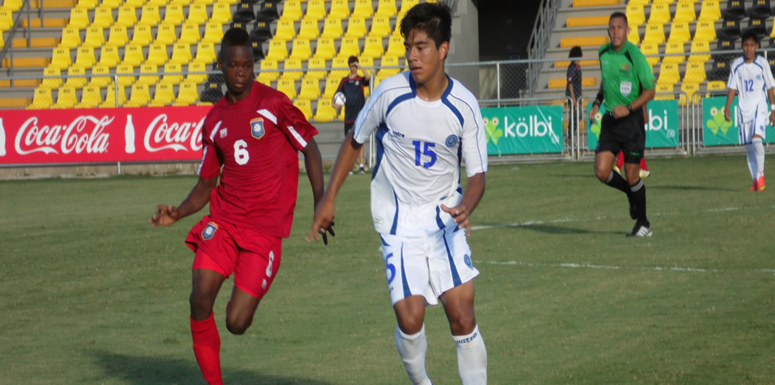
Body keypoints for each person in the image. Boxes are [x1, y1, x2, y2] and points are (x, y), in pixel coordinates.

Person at [309, 3, 488, 384]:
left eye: (421, 46)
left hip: (445, 216)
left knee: (463, 313)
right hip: (398, 217)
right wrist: (329, 197)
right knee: (410, 319)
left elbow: (477, 176)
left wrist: (465, 207)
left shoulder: (465, 107)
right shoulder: (390, 92)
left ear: (443, 49)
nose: (412, 55)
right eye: (408, 46)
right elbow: (355, 141)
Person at [148, 28, 333, 385]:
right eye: (234, 66)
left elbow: (309, 147)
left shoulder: (274, 104)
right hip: (224, 222)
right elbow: (206, 184)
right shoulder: (214, 120)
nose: (241, 72)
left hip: (263, 233)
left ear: (253, 65)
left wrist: (320, 201)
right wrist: (178, 212)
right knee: (200, 299)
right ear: (222, 66)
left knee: (236, 323)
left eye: (247, 65)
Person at [588, 11, 655, 237]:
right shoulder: (603, 53)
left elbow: (650, 90)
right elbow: (605, 83)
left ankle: (644, 224)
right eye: (612, 28)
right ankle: (630, 193)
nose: (615, 32)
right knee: (601, 170)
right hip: (610, 120)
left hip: (631, 122)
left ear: (627, 31)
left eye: (619, 28)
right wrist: (597, 103)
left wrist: (628, 108)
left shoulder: (634, 55)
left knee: (633, 174)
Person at [724, 30, 775, 192]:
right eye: (746, 45)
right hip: (743, 109)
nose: (748, 49)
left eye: (752, 45)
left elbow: (769, 87)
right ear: (742, 47)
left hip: (759, 107)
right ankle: (755, 180)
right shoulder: (737, 65)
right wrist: (727, 107)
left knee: (756, 140)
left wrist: (773, 109)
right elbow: (733, 87)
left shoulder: (762, 63)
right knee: (749, 147)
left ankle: (760, 175)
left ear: (757, 46)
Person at [334, 55, 371, 174]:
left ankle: (361, 165)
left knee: (360, 140)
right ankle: (349, 167)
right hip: (348, 115)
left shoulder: (360, 79)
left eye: (356, 66)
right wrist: (336, 105)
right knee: (349, 142)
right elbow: (338, 96)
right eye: (352, 66)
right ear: (349, 66)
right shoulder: (344, 81)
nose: (354, 68)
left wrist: (361, 67)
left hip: (360, 115)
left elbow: (368, 77)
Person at [566, 46, 583, 140]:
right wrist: (574, 99)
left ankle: (570, 137)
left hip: (578, 95)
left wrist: (581, 93)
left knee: (576, 116)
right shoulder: (572, 67)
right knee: (576, 116)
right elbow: (570, 83)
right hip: (574, 97)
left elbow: (578, 82)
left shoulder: (578, 67)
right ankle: (569, 137)